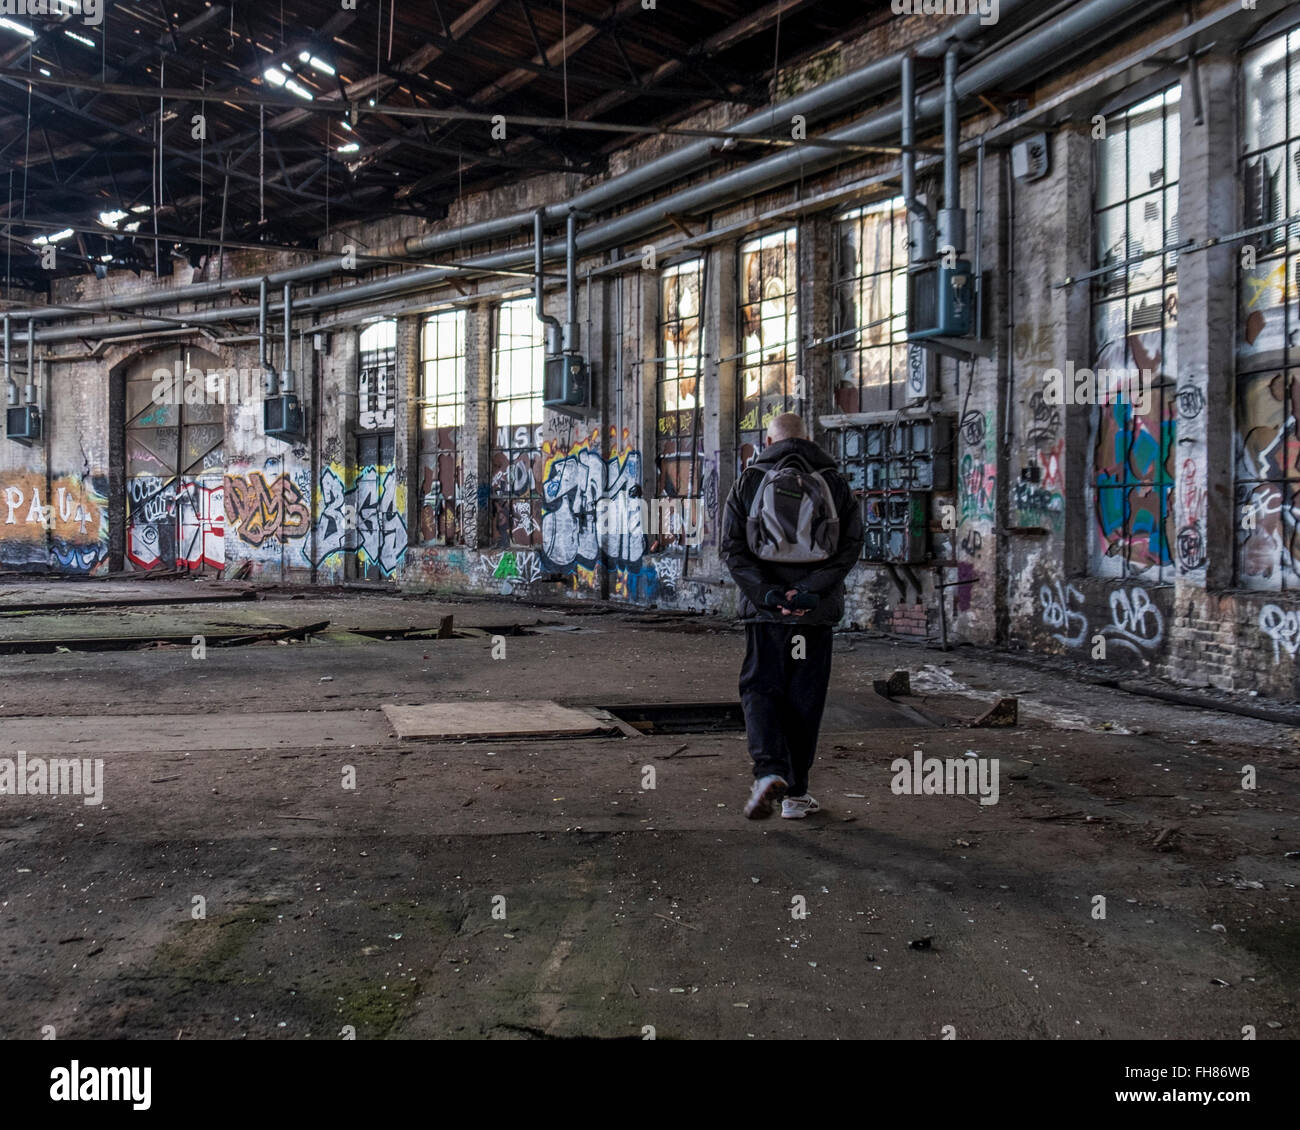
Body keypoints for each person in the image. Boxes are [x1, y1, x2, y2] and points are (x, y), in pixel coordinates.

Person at [721, 412, 864, 819]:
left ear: (768, 440)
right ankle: (796, 795)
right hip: (811, 616)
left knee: (761, 688)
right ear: (808, 438)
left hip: (767, 615)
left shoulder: (749, 481)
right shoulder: (835, 482)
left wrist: (768, 594)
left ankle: (768, 771)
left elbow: (733, 548)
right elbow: (850, 546)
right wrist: (807, 593)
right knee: (805, 697)